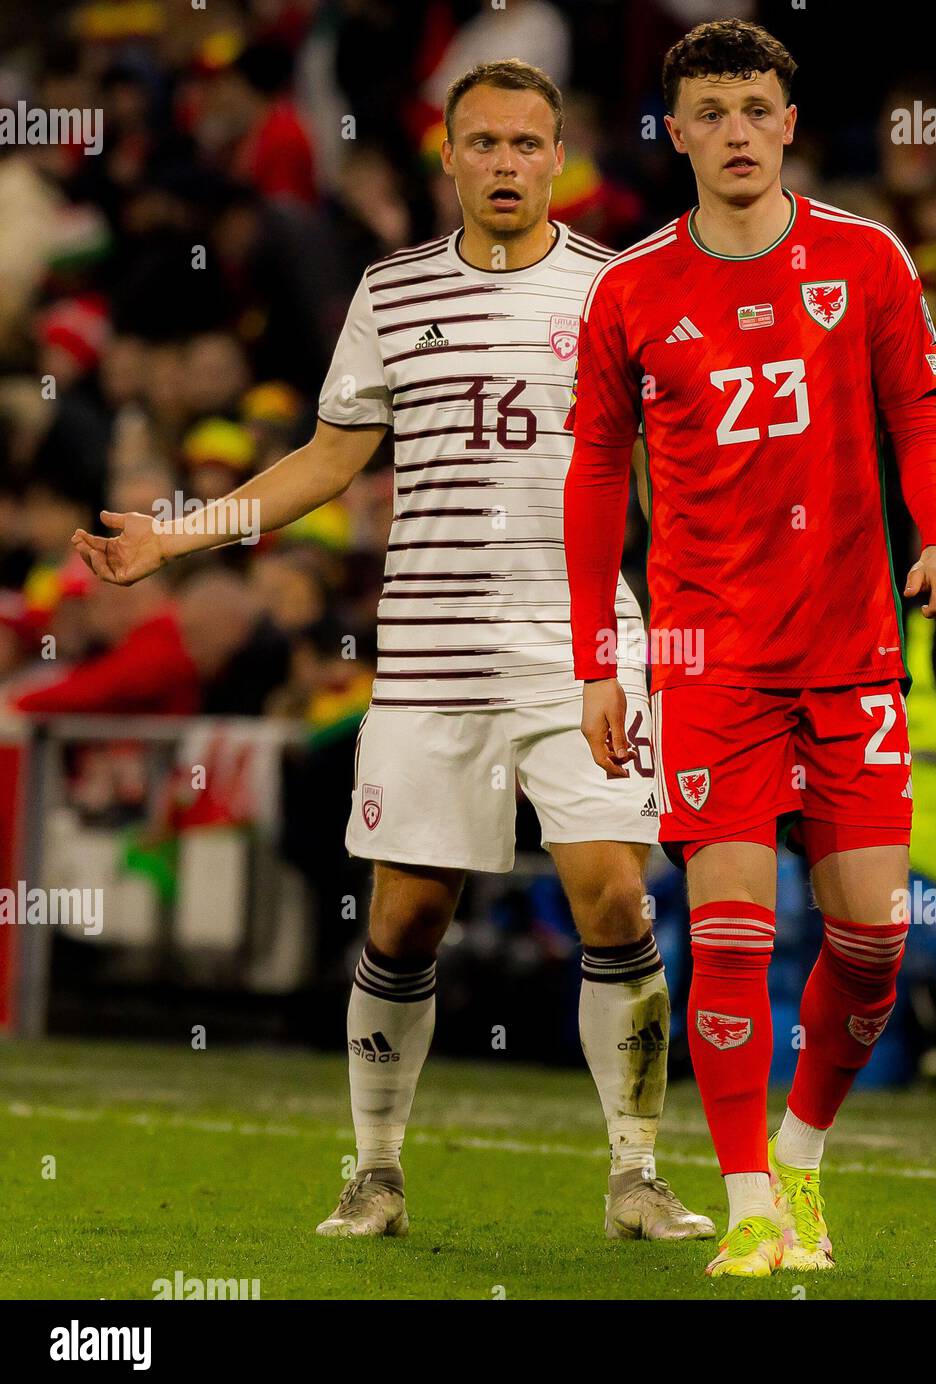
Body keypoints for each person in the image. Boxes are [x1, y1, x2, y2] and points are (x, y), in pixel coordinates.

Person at [70, 60, 712, 1247]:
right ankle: (375, 1170)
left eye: (530, 143)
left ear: (557, 157)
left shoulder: (619, 291)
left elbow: (678, 463)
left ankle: (636, 1173)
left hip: (582, 651)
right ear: (449, 158)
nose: (508, 163)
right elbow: (325, 462)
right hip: (427, 651)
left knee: (615, 890)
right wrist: (176, 536)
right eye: (485, 143)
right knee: (409, 914)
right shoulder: (389, 291)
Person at [564, 19, 936, 1277]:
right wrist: (600, 659)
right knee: (731, 933)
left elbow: (918, 417)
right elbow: (591, 477)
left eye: (756, 108)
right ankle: (746, 1201)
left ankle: (799, 1160)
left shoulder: (866, 259)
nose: (736, 132)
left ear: (788, 125)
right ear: (675, 131)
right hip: (708, 657)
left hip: (851, 649)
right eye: (711, 112)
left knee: (871, 948)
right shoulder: (629, 289)